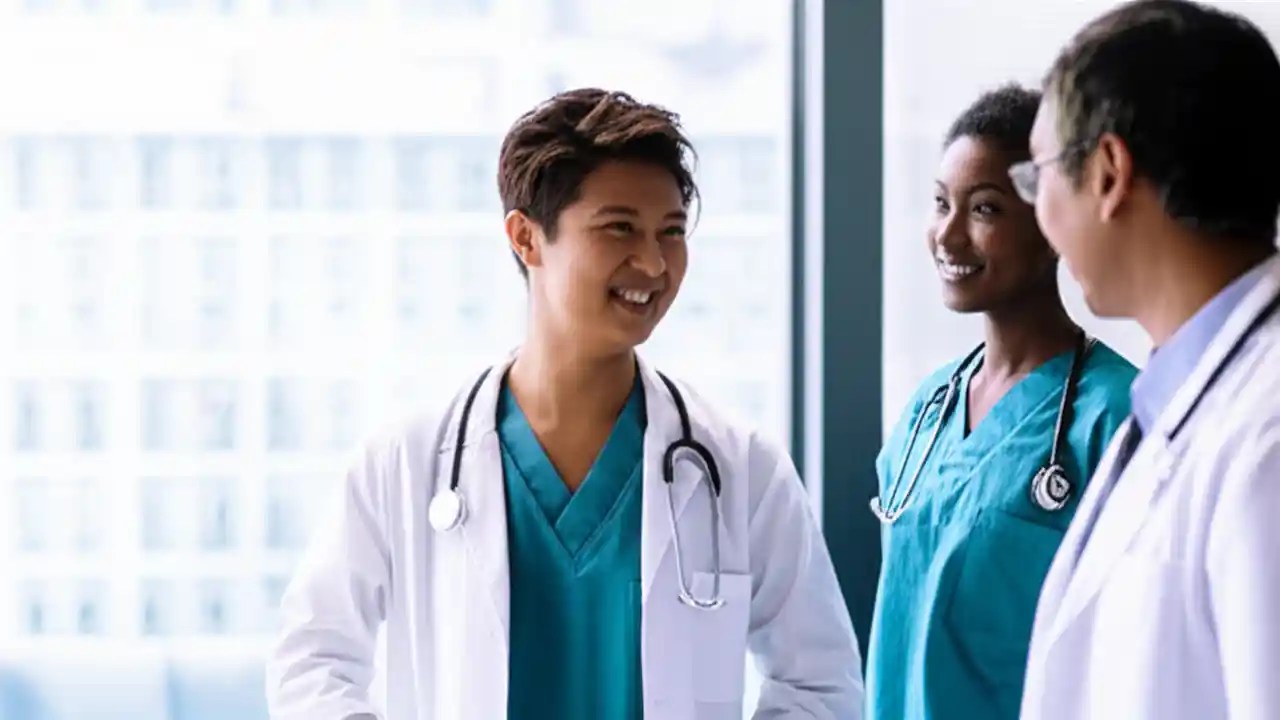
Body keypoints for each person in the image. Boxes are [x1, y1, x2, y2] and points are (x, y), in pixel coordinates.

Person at [265, 88, 863, 720]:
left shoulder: (741, 468)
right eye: (619, 228)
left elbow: (820, 684)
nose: (654, 263)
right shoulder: (405, 462)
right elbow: (312, 662)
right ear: (527, 238)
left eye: (671, 232)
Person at [1016, 2, 1280, 718]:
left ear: (1108, 173)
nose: (1037, 213)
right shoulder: (1180, 399)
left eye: (1036, 179)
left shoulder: (1265, 435)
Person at [865, 85, 1135, 720]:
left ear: (1051, 222)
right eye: (940, 204)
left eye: (984, 209)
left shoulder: (1115, 417)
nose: (948, 236)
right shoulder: (927, 412)